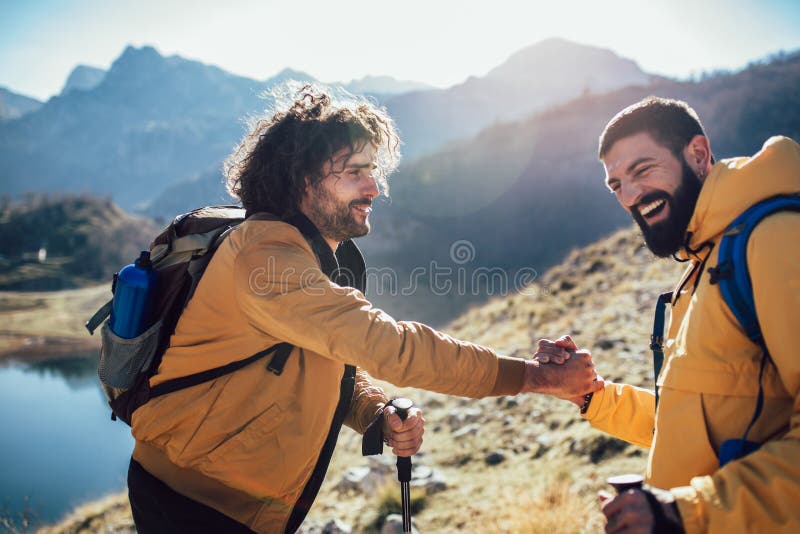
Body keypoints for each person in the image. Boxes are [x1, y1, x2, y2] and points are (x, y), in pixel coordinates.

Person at [127, 86, 603, 534]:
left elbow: (318, 363)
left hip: (230, 503)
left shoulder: (298, 252)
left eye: (373, 170)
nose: (374, 188)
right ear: (303, 180)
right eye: (354, 171)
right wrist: (532, 377)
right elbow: (392, 348)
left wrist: (375, 412)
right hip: (191, 504)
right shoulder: (265, 258)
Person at [538, 96, 800, 533]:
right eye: (616, 184)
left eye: (642, 170)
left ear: (697, 154)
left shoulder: (775, 241)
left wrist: (687, 511)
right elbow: (698, 418)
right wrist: (590, 396)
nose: (631, 196)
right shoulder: (707, 260)